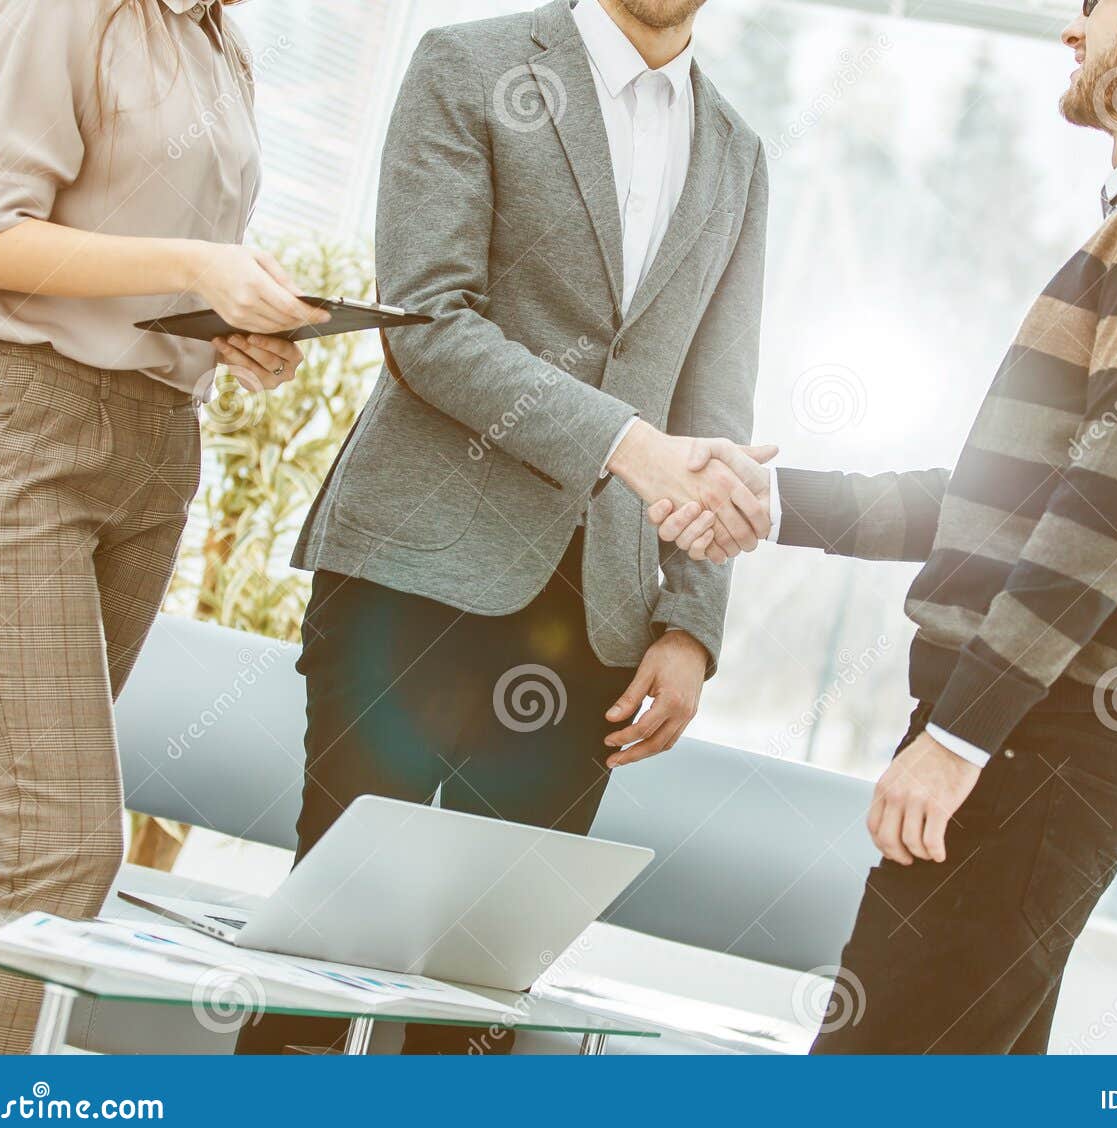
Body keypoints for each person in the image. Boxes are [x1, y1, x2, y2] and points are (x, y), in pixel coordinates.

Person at [648, 0, 1117, 1053]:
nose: (1075, 29)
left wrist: (962, 734)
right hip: (1039, 744)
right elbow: (1020, 496)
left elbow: (1106, 515)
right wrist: (775, 500)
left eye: (1099, 7)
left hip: (1033, 746)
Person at [235, 0, 770, 1055]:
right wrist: (626, 443)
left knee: (478, 1005)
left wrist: (690, 624)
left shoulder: (739, 155)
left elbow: (717, 413)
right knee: (322, 969)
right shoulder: (467, 63)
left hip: (600, 624)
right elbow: (428, 323)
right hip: (412, 572)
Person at [0, 0, 326, 1055]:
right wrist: (195, 266)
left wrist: (230, 325)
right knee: (70, 843)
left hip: (156, 446)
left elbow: (155, 261)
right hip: (26, 436)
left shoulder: (222, 45)